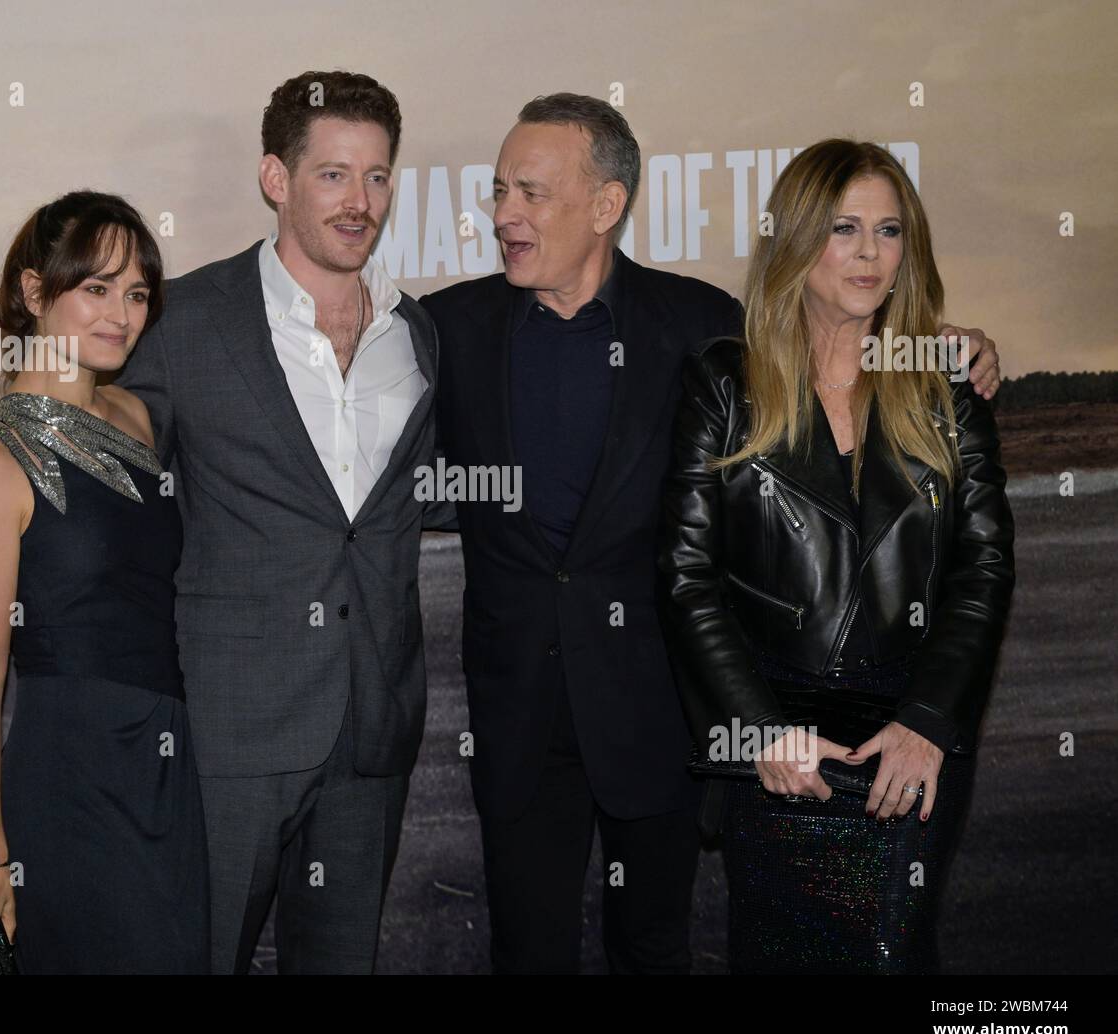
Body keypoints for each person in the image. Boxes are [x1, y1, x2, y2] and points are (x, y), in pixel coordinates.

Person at [422, 96, 1003, 974]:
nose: (505, 213)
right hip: (527, 715)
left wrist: (952, 347)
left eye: (532, 193)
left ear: (607, 205)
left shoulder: (700, 326)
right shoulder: (448, 329)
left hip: (658, 712)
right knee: (528, 950)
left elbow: (836, 344)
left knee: (665, 946)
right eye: (501, 191)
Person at [0, 72, 445, 974]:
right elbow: (42, 490)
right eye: (332, 175)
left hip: (369, 734)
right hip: (222, 739)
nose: (359, 201)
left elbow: (101, 472)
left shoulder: (423, 335)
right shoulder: (192, 326)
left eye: (378, 177)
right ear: (276, 180)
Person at [656, 138, 1016, 973]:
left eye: (889, 232)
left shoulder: (946, 382)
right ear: (796, 238)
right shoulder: (725, 381)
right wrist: (760, 729)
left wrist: (928, 723)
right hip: (781, 746)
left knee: (897, 953)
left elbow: (983, 571)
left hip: (911, 739)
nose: (868, 253)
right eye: (844, 228)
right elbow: (686, 577)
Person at [0, 190, 209, 973]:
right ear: (34, 292)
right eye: (95, 289)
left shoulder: (136, 416)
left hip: (167, 760)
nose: (121, 315)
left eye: (135, 294)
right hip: (73, 772)